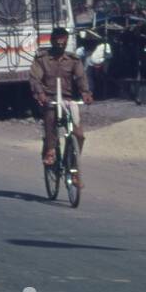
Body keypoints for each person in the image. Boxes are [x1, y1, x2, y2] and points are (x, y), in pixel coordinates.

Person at [30, 27, 91, 182]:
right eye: (57, 43)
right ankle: (50, 150)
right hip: (49, 99)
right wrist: (40, 93)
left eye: (63, 44)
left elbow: (80, 77)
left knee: (79, 134)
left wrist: (85, 92)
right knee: (50, 117)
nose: (60, 46)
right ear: (51, 41)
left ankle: (73, 166)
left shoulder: (73, 60)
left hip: (68, 100)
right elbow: (35, 78)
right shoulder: (42, 59)